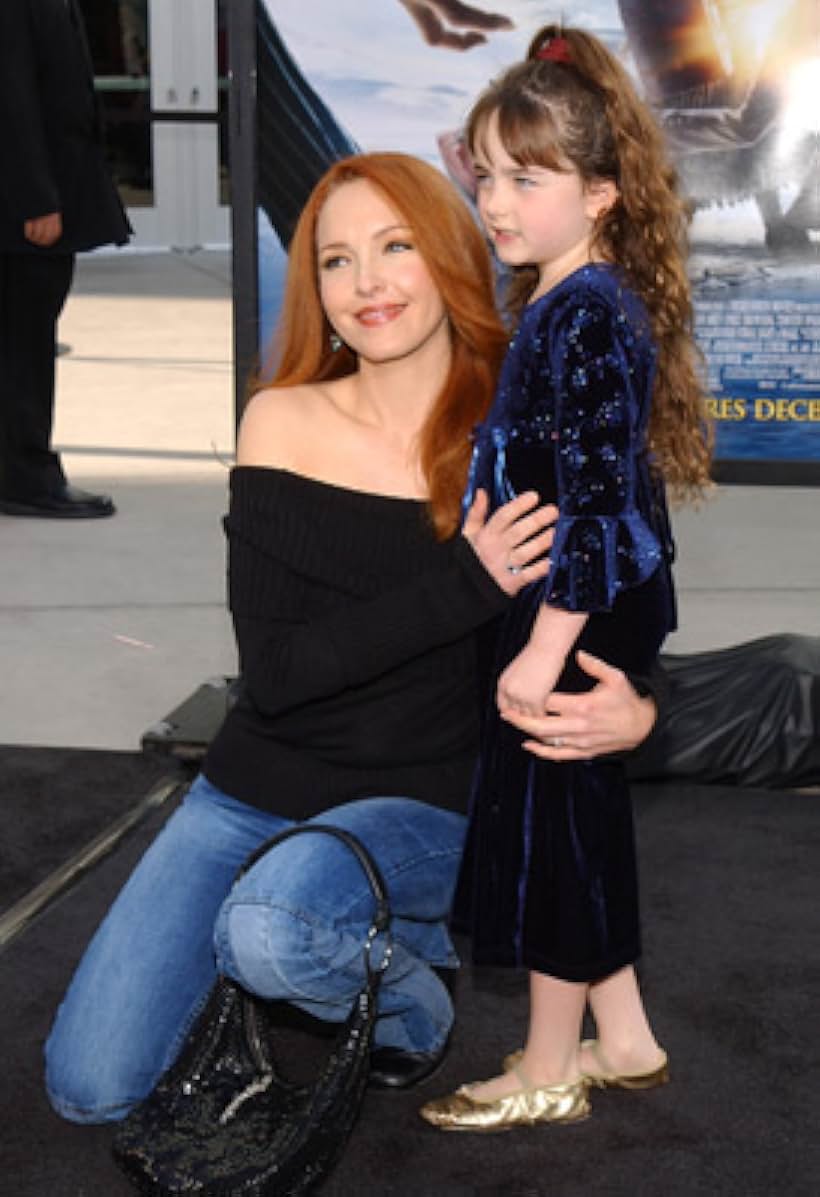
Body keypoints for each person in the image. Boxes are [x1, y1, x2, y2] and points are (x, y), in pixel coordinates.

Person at [45, 151, 661, 1124]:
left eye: (395, 246)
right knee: (88, 1089)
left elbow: (619, 574)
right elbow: (279, 675)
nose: (366, 282)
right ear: (314, 287)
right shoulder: (280, 420)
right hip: (254, 785)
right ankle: (320, 941)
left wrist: (642, 705)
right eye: (335, 260)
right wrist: (464, 580)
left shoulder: (523, 418)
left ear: (449, 254)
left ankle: (408, 1009)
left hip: (429, 803)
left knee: (271, 927)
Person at [420, 24, 712, 1132]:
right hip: (574, 598)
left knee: (550, 837)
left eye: (526, 178)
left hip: (573, 610)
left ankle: (547, 1065)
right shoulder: (565, 297)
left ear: (598, 193)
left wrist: (544, 646)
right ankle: (623, 1036)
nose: (495, 199)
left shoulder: (583, 314)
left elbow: (592, 504)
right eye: (484, 171)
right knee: (578, 821)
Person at [0, 0, 130, 519]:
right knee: (24, 348)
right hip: (25, 210)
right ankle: (25, 478)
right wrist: (35, 199)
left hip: (42, 194)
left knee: (21, 344)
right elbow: (11, 97)